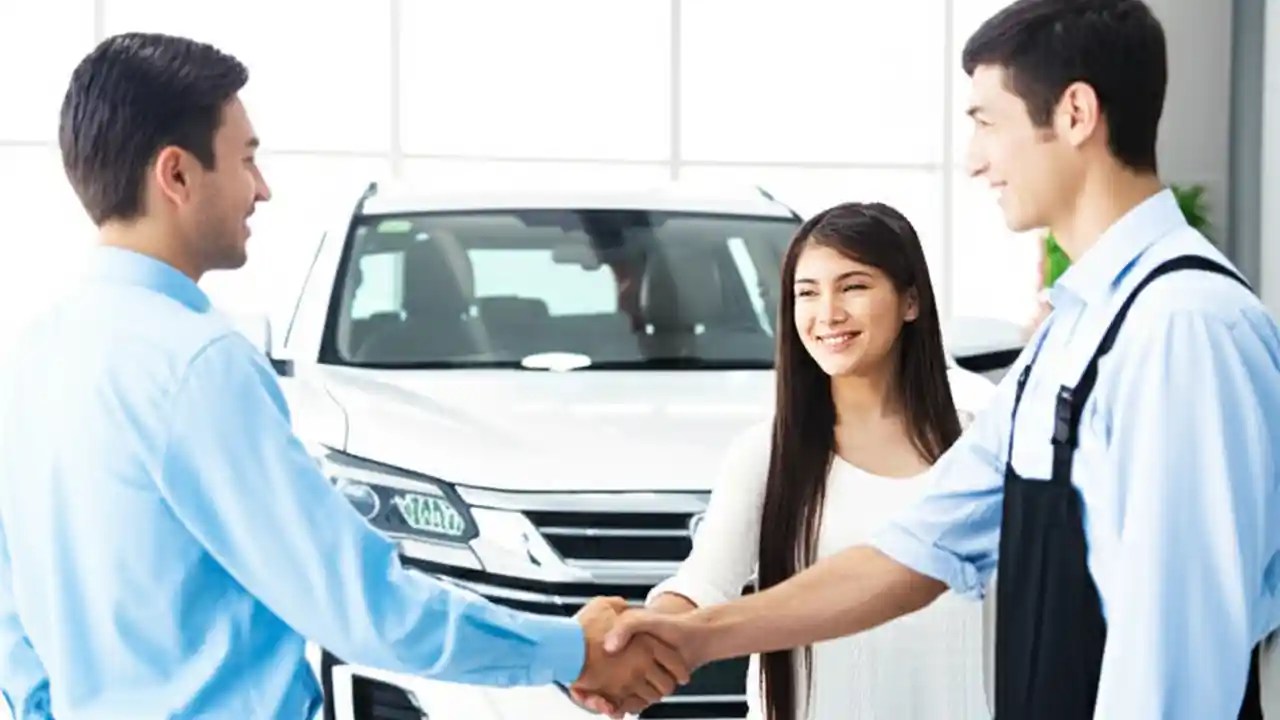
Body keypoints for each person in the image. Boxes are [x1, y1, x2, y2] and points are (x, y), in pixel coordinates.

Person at [600, 1, 1280, 718]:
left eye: (988, 121)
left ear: (1076, 113)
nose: (974, 158)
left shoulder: (1185, 328)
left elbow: (1179, 661)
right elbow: (918, 548)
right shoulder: (1071, 335)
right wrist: (690, 634)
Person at [0, 33, 687, 719]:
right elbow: (360, 606)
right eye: (246, 160)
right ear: (176, 175)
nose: (261, 190)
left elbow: (12, 618)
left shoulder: (36, 355)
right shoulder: (198, 364)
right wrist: (569, 649)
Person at [579, 202, 997, 719]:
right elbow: (703, 584)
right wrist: (638, 640)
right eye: (807, 292)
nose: (828, 314)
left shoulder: (981, 447)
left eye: (853, 286)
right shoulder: (768, 454)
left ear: (911, 301)